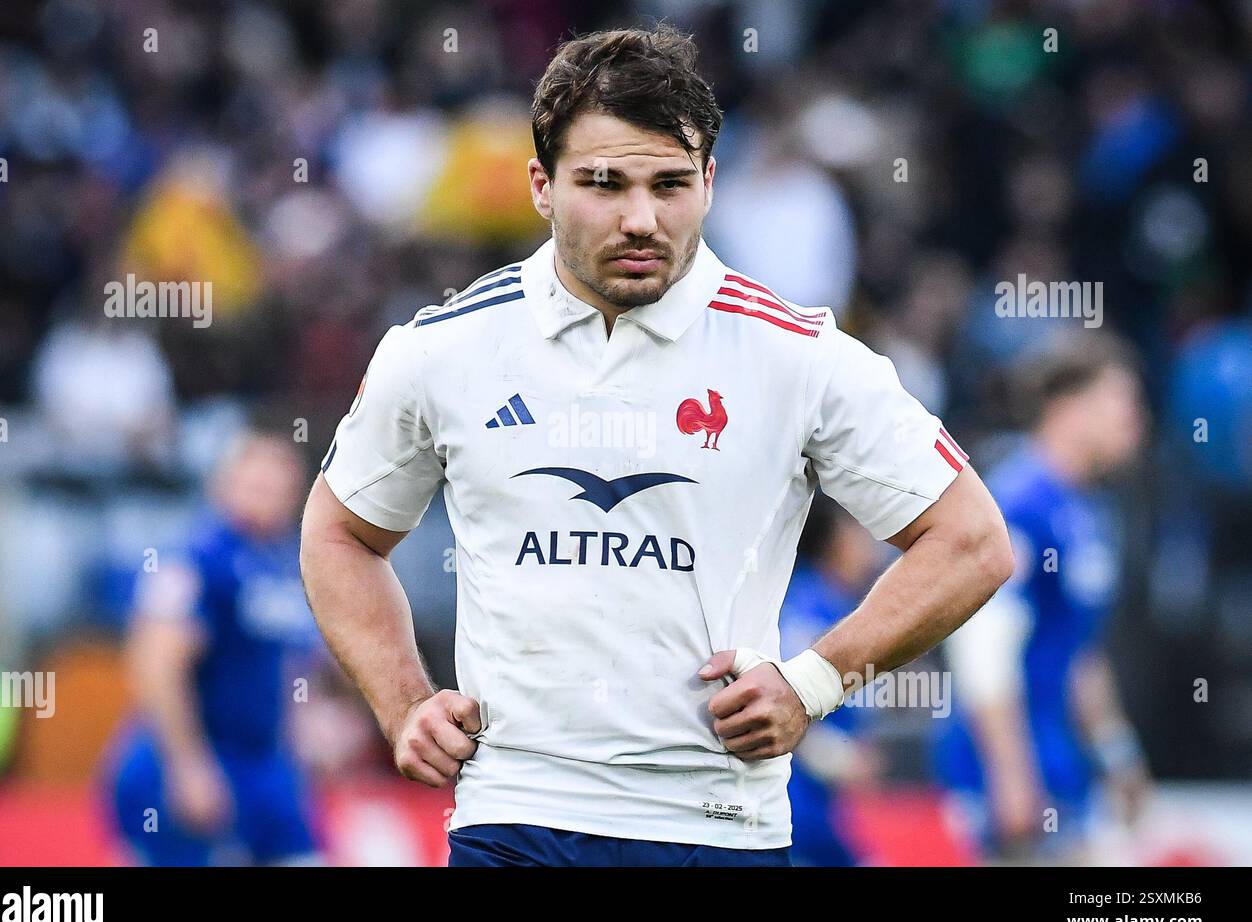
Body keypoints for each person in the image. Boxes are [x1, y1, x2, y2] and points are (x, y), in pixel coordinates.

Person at [300, 25, 1013, 868]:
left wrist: (814, 681)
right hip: (513, 818)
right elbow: (340, 533)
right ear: (541, 185)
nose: (641, 218)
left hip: (716, 827)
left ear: (710, 183)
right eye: (603, 183)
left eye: (670, 184)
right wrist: (402, 702)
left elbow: (972, 540)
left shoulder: (798, 354)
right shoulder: (441, 350)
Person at [934, 336, 1152, 863]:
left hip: (1059, 763)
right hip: (1009, 770)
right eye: (1121, 401)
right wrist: (1010, 775)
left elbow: (1080, 650)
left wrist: (1117, 753)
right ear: (1070, 408)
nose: (1137, 420)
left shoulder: (1087, 510)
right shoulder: (1019, 500)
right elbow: (983, 647)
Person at [105, 428, 324, 866]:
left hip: (262, 766)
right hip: (191, 761)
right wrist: (187, 765)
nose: (268, 498)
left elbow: (291, 667)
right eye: (256, 485)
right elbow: (157, 665)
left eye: (280, 489)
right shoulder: (194, 558)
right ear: (222, 485)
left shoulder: (287, 563)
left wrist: (310, 734)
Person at [781, 501, 886, 866]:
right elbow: (783, 695)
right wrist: (838, 758)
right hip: (794, 803)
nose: (872, 546)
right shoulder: (807, 608)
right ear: (838, 539)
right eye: (863, 533)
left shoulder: (842, 607)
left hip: (826, 809)